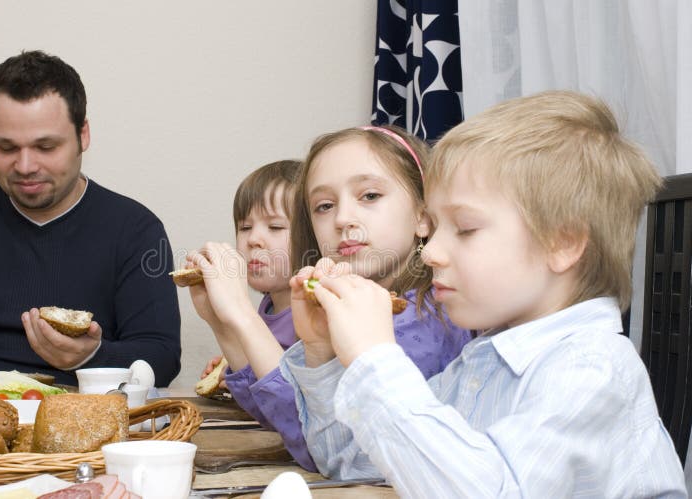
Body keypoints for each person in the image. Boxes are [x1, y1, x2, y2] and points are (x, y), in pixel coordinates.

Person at [281, 92, 687, 496]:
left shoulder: (590, 371)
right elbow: (356, 464)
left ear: (561, 244)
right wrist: (322, 354)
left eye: (465, 228)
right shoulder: (481, 363)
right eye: (435, 227)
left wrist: (376, 361)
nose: (433, 251)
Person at [0, 50, 181, 386]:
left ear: (82, 135)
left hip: (81, 424)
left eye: (45, 146)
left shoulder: (136, 230)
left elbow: (162, 357)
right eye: (6, 148)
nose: (26, 166)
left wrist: (90, 356)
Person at [281, 125, 470, 470]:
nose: (342, 219)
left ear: (422, 216)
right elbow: (339, 460)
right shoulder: (343, 309)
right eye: (324, 205)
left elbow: (369, 467)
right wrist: (320, 351)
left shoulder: (432, 317)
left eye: (369, 196)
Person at [186, 159, 316, 468]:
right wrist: (219, 323)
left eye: (274, 227)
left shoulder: (315, 312)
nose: (253, 239)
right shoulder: (268, 307)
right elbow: (264, 406)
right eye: (245, 227)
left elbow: (296, 411)